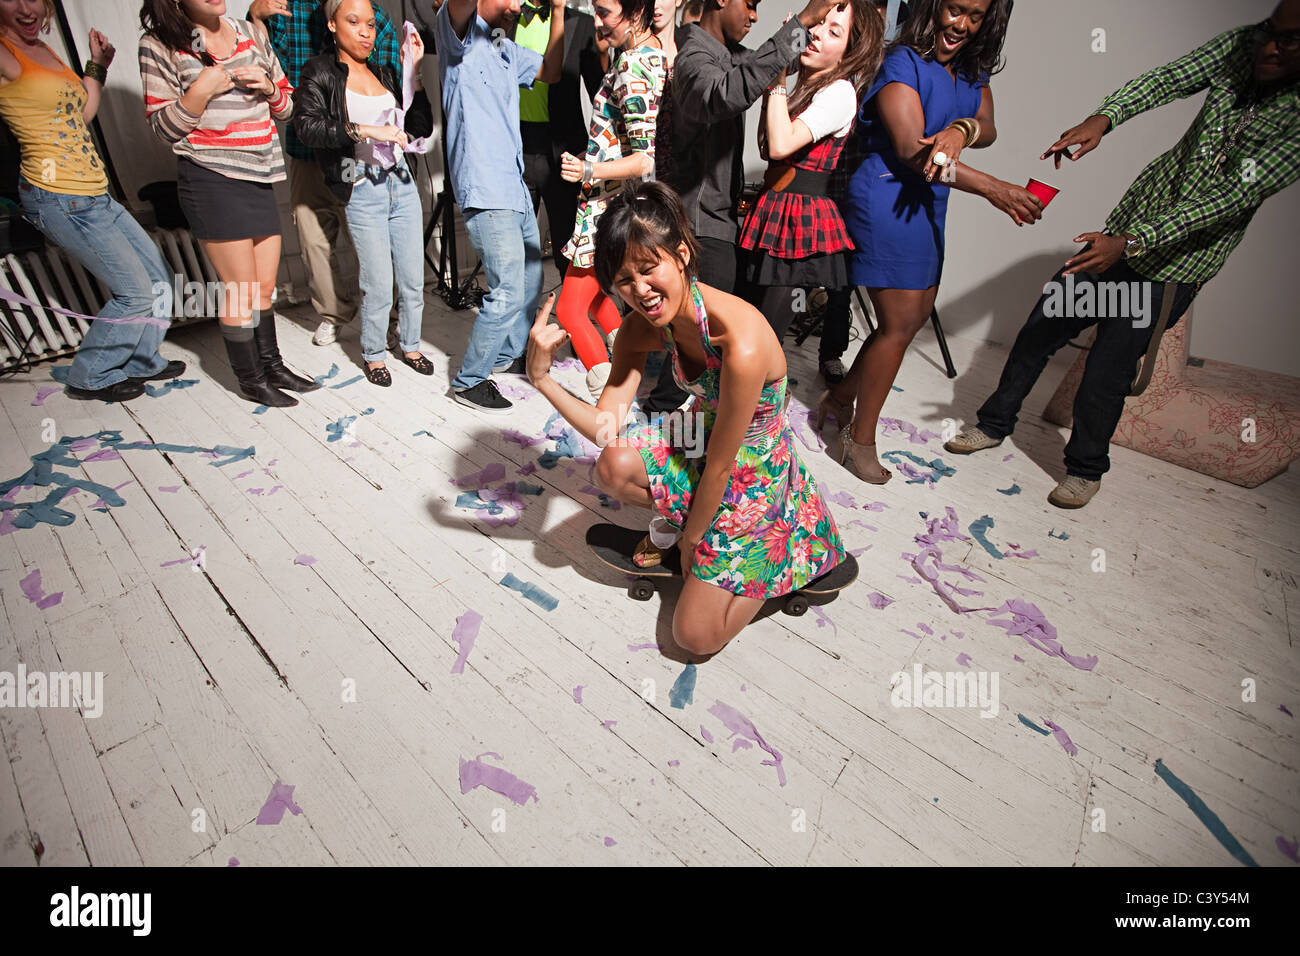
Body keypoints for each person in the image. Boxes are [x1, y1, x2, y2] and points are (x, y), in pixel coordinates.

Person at [945, 0, 1300, 509]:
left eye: (1288, 40)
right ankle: (993, 425)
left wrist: (1132, 244)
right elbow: (1167, 78)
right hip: (1123, 235)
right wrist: (1104, 118)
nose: (1269, 45)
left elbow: (1230, 198)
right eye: (1270, 29)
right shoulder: (1242, 46)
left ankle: (1086, 469)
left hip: (1173, 265)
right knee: (1039, 332)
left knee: (1107, 372)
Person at [527, 181, 847, 657]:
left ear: (679, 254)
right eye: (624, 281)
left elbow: (724, 466)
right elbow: (605, 428)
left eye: (649, 268)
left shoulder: (740, 340)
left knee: (694, 638)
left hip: (753, 468)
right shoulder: (641, 326)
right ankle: (703, 542)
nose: (640, 292)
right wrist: (542, 379)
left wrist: (691, 542)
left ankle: (787, 553)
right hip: (699, 436)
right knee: (612, 465)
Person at [825, 0, 1037, 483]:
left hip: (931, 199)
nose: (961, 24)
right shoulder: (900, 60)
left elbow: (989, 123)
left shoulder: (971, 68)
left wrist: (963, 129)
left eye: (975, 16)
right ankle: (858, 441)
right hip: (886, 192)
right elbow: (910, 149)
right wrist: (995, 190)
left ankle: (838, 400)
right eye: (955, 9)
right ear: (935, 6)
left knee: (914, 315)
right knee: (898, 321)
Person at [641, 0, 841, 416]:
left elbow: (759, 69)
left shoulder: (729, 55)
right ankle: (661, 415)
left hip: (715, 215)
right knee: (705, 328)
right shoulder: (695, 54)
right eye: (749, 5)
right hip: (699, 219)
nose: (753, 17)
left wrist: (802, 42)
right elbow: (725, 93)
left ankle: (681, 412)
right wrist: (801, 23)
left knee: (704, 326)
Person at [140, 0, 318, 408]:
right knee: (239, 289)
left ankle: (272, 365)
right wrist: (200, 90)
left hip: (260, 172)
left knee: (264, 286)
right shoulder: (159, 44)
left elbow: (289, 107)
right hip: (211, 177)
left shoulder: (249, 31)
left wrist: (270, 87)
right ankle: (251, 378)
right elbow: (163, 128)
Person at [0, 0, 180, 403]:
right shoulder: (4, 53)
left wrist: (96, 65)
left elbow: (80, 113)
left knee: (158, 279)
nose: (27, 8)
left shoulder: (43, 50)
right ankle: (90, 375)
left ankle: (139, 360)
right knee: (134, 293)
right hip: (57, 197)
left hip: (95, 192)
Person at [294, 0, 434, 388]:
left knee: (411, 278)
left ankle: (409, 345)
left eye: (371, 24)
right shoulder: (320, 71)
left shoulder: (384, 71)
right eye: (353, 22)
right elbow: (307, 126)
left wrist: (414, 73)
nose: (365, 32)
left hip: (401, 183)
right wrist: (365, 130)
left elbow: (420, 125)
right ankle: (373, 354)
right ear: (332, 24)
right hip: (362, 186)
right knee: (377, 280)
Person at [248, 0, 401, 349]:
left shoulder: (376, 16)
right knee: (314, 239)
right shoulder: (290, 9)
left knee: (373, 241)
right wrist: (255, 17)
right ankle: (333, 314)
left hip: (362, 153)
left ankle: (388, 317)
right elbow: (262, 65)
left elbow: (391, 80)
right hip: (309, 149)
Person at [436, 0, 564, 415]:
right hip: (485, 186)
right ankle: (470, 380)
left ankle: (509, 355)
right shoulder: (458, 38)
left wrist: (559, 12)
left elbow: (552, 70)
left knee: (529, 280)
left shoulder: (505, 48)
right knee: (507, 288)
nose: (517, 5)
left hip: (515, 184)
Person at [739, 0, 882, 347]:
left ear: (852, 50)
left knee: (766, 338)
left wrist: (775, 78)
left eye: (834, 32)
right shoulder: (803, 84)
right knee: (744, 324)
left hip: (799, 223)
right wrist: (782, 68)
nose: (816, 35)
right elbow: (765, 145)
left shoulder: (840, 92)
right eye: (816, 24)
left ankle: (766, 399)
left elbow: (780, 145)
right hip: (772, 210)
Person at [556, 0, 667, 401]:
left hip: (607, 207)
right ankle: (628, 374)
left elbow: (645, 158)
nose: (596, 21)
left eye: (604, 12)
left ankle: (612, 400)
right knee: (602, 298)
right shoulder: (641, 54)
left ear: (636, 11)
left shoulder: (635, 64)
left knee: (570, 310)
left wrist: (589, 171)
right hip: (608, 204)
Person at [514, 0, 603, 275]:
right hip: (514, 148)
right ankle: (525, 318)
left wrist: (593, 151)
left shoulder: (582, 24)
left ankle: (570, 316)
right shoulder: (505, 21)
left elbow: (601, 97)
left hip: (564, 151)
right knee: (516, 252)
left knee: (569, 251)